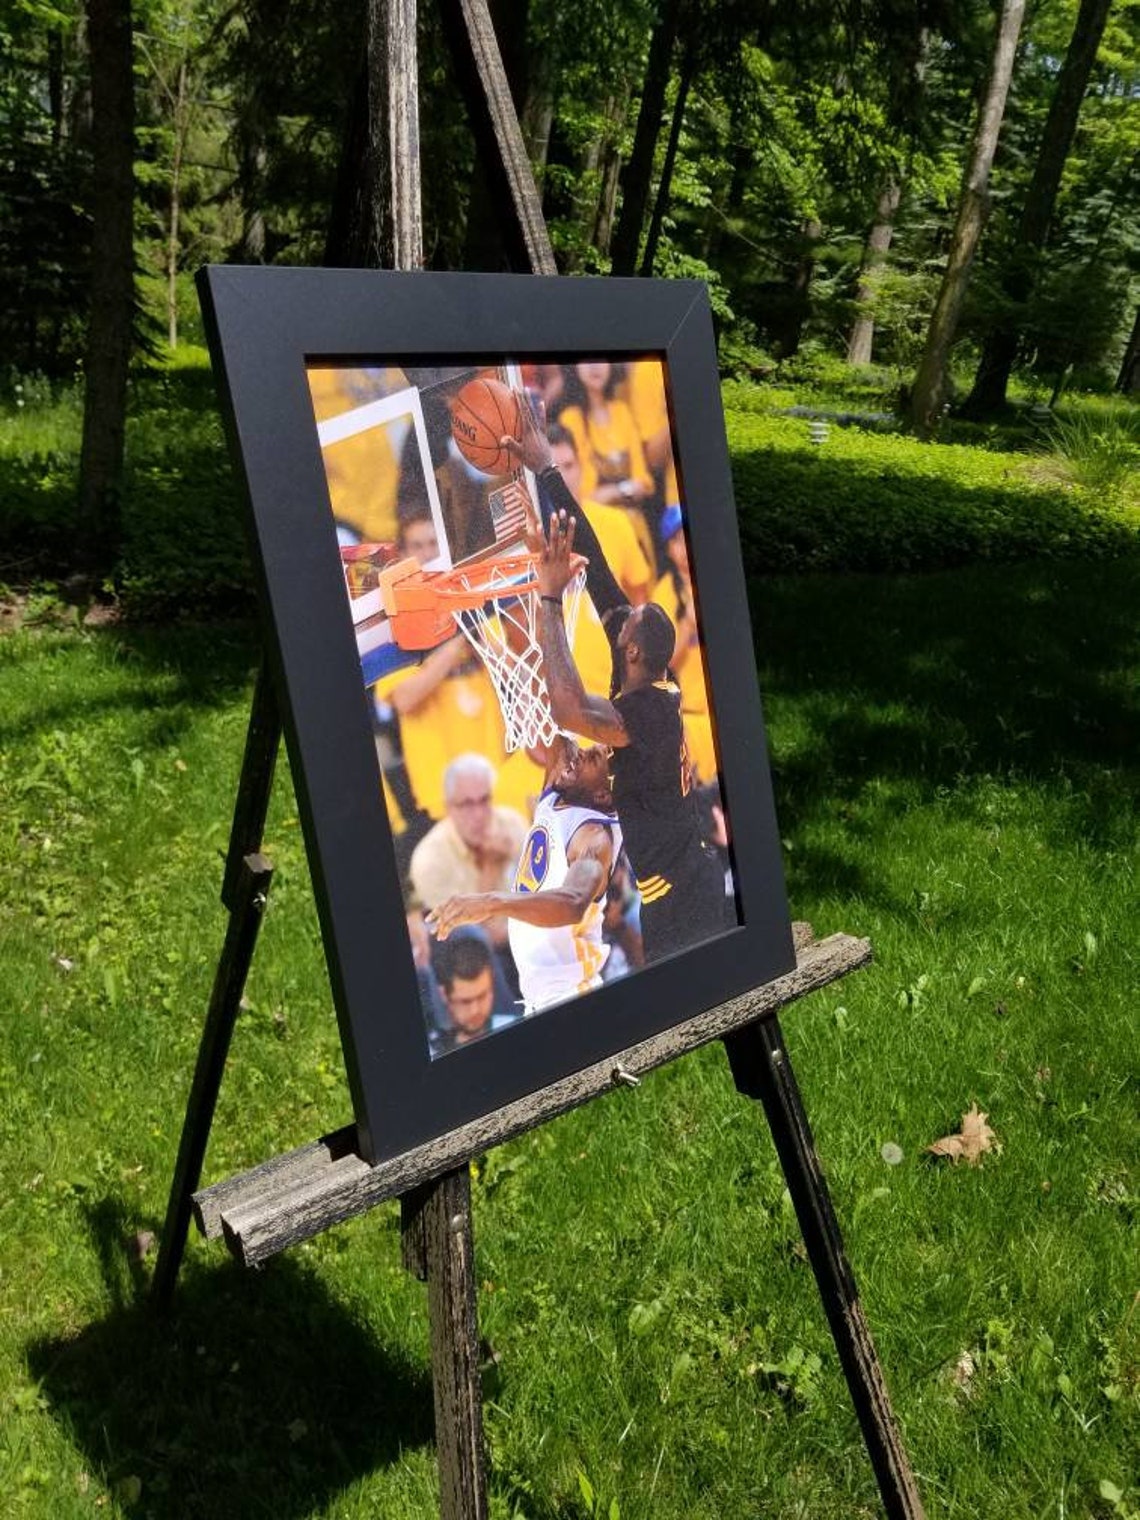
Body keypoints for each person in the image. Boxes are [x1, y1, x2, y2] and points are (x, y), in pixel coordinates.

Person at [502, 401, 734, 965]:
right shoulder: (649, 675)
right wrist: (544, 468)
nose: (618, 615)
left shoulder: (647, 713)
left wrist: (549, 594)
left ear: (630, 650)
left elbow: (566, 710)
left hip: (683, 895)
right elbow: (600, 568)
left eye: (624, 624)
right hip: (678, 879)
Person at [426, 736, 623, 1014]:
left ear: (602, 795)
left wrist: (492, 902)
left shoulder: (594, 838)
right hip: (542, 998)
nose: (584, 751)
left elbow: (574, 902)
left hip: (573, 993)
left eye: (594, 758)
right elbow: (549, 721)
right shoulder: (559, 789)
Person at [430, 935, 518, 1056]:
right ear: (444, 994)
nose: (475, 1010)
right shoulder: (432, 1051)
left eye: (482, 996)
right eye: (465, 1001)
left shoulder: (515, 1025)